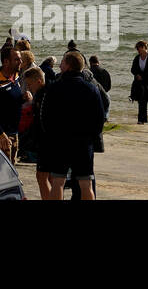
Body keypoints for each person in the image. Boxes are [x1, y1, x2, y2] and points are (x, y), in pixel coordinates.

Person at [37, 51, 106, 200]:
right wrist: (91, 138)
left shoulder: (54, 87)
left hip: (60, 142)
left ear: (68, 66)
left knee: (58, 182)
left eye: (62, 62)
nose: (60, 65)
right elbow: (99, 119)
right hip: (83, 142)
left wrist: (52, 136)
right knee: (86, 184)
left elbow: (45, 117)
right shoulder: (91, 88)